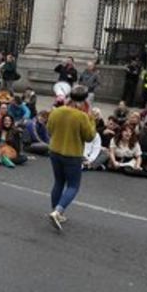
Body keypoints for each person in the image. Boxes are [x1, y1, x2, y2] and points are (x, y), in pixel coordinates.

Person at [45, 86, 96, 232]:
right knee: (73, 185)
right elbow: (90, 136)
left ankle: (55, 210)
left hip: (54, 150)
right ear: (85, 99)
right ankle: (58, 211)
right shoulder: (82, 116)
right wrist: (91, 119)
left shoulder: (56, 111)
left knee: (59, 182)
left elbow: (49, 130)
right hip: (72, 154)